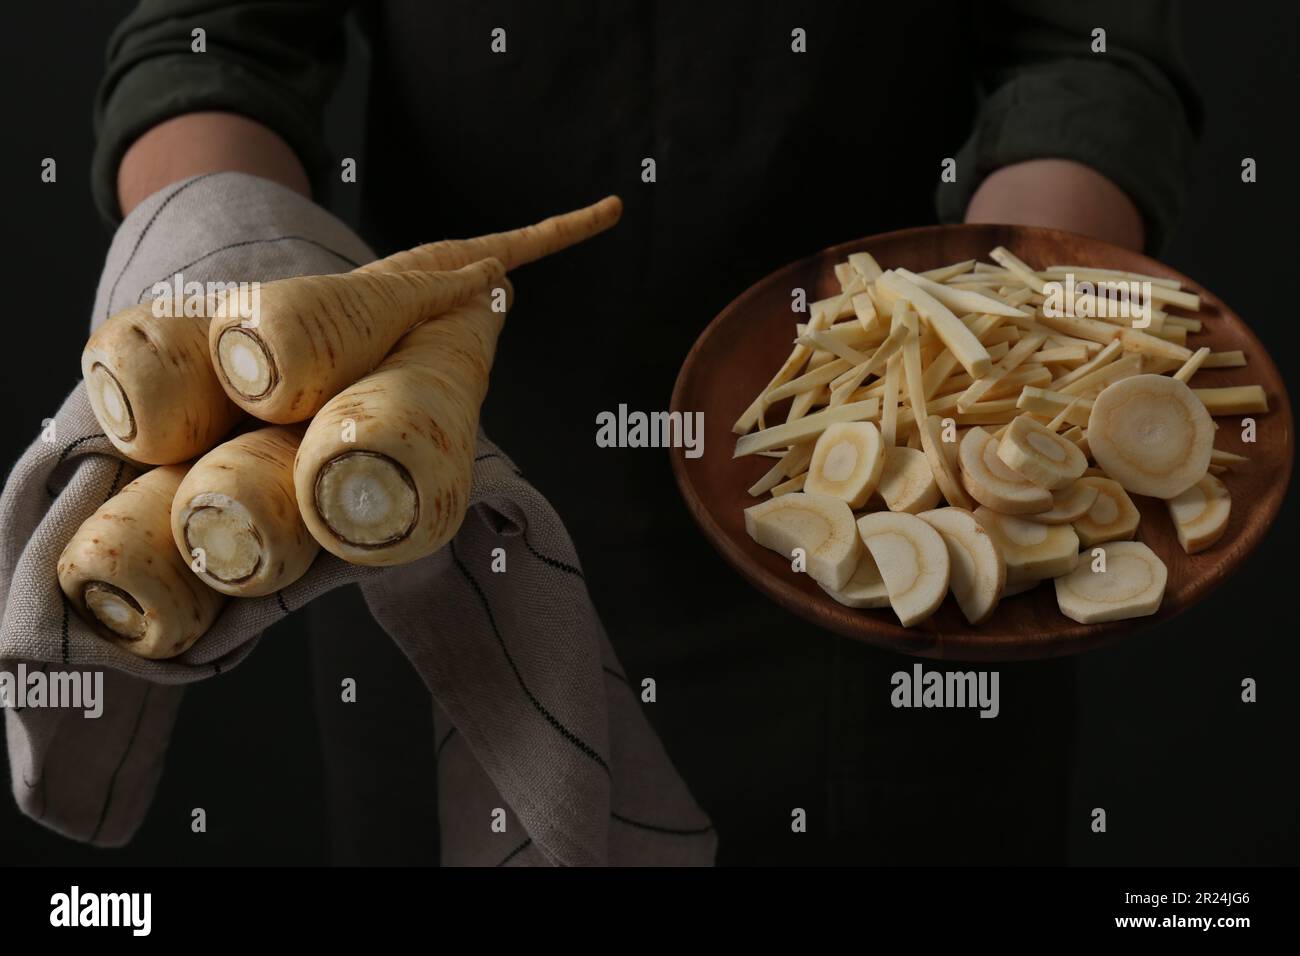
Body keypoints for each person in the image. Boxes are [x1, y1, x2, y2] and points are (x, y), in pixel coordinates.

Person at [91, 0, 1199, 864]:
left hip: (892, 514)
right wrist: (239, 292)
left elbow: (1085, 51)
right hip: (431, 520)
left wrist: (1009, 323)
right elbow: (212, 41)